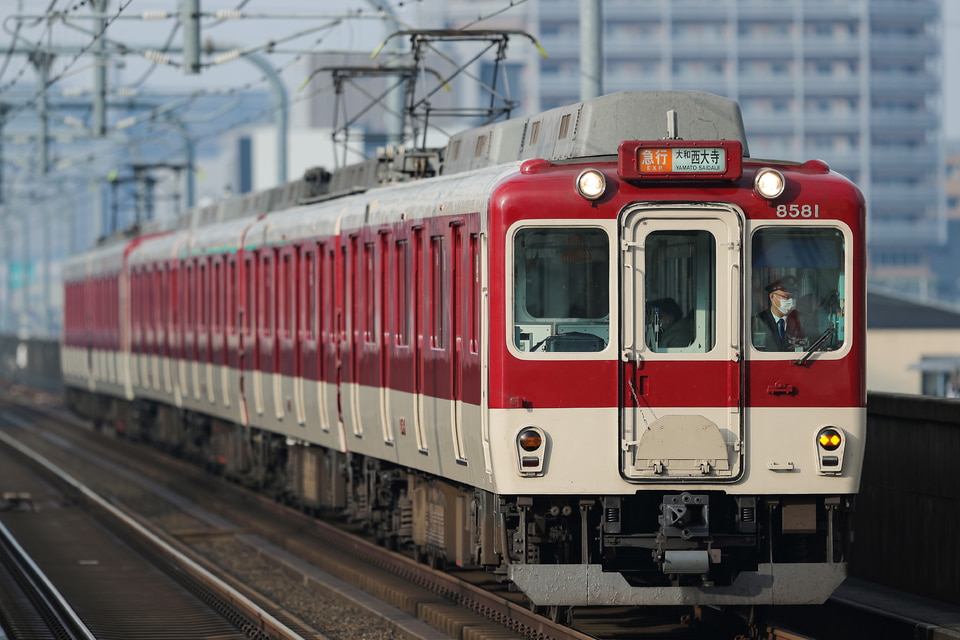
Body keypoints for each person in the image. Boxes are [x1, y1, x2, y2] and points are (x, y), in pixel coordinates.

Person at [753, 276, 805, 352]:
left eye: (793, 297)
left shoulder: (803, 320)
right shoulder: (758, 321)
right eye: (786, 297)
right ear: (772, 297)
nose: (790, 301)